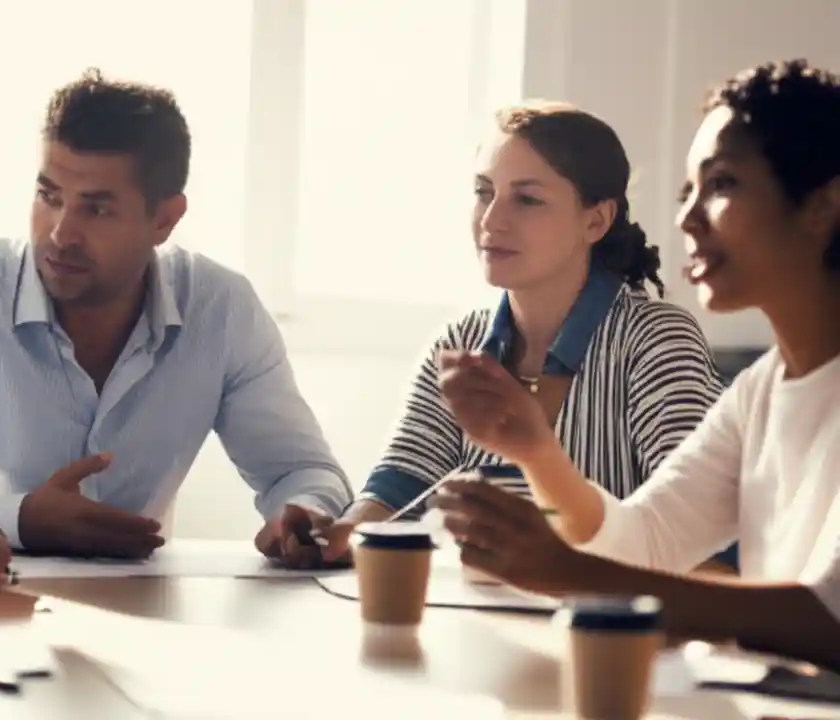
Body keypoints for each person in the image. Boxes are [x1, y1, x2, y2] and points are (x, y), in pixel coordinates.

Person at [0, 69, 352, 563]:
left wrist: (306, 511)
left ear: (165, 219)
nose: (60, 233)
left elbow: (301, 470)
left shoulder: (221, 308)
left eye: (96, 208)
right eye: (48, 196)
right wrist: (18, 518)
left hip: (138, 608)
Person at [436, 60, 840, 670]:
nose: (686, 218)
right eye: (686, 193)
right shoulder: (759, 393)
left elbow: (827, 618)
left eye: (722, 184)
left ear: (822, 206)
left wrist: (566, 571)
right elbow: (651, 541)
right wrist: (536, 451)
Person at [294, 100, 725, 566]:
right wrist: (336, 532)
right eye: (483, 192)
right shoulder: (457, 343)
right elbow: (402, 480)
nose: (491, 219)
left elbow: (699, 532)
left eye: (527, 199)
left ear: (595, 220)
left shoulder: (657, 340)